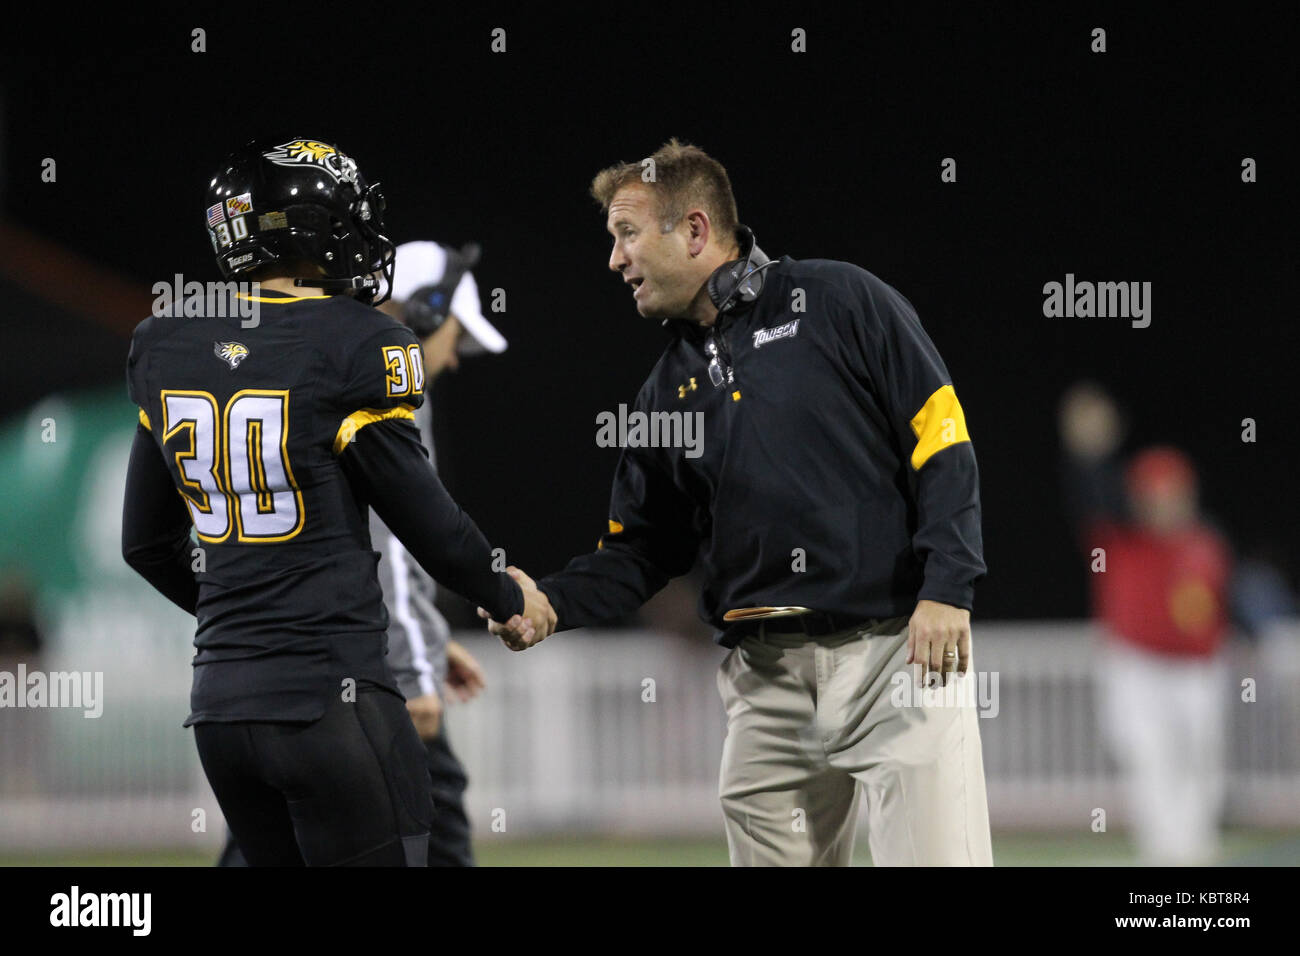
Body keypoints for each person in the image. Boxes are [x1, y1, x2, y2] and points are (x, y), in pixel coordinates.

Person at [484, 138, 992, 866]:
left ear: (694, 231)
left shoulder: (842, 299)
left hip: (893, 656)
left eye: (627, 234)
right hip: (764, 682)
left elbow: (941, 440)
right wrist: (550, 602)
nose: (614, 260)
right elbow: (641, 551)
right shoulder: (665, 390)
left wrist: (949, 586)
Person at [122, 137, 552, 866]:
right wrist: (507, 591)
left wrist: (247, 617)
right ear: (309, 229)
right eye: (347, 218)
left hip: (223, 708)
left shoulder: (165, 343)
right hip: (333, 703)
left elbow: (144, 544)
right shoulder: (358, 340)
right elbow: (426, 523)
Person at [1060, 381, 1232, 864]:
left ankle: (1197, 851)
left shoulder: (1207, 543)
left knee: (1201, 762)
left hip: (1198, 670)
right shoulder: (1120, 538)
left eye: (1172, 493)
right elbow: (1090, 491)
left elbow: (1229, 606)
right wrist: (1089, 450)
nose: (1164, 503)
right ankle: (1165, 856)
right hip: (1136, 668)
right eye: (1154, 495)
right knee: (1149, 760)